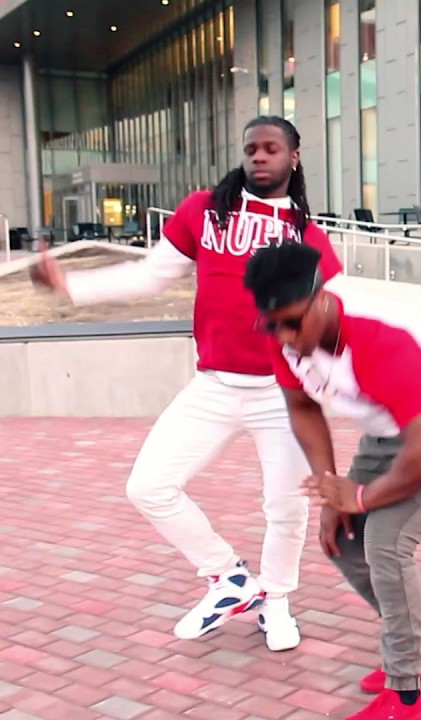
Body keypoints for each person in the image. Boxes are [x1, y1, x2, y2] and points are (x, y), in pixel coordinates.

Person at [29, 116, 343, 652]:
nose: (258, 157)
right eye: (250, 148)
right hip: (214, 385)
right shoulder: (206, 210)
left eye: (271, 149)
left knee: (286, 507)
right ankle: (230, 579)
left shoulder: (307, 235)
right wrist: (70, 286)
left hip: (280, 393)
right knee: (148, 486)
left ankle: (277, 600)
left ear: (294, 157)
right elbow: (151, 275)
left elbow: (338, 309)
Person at [243, 241, 421, 720]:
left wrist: (361, 496)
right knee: (342, 537)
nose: (283, 338)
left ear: (323, 298)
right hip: (388, 434)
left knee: (385, 543)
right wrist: (329, 488)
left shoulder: (378, 338)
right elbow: (302, 406)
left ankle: (405, 696)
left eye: (292, 323)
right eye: (270, 325)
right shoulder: (286, 335)